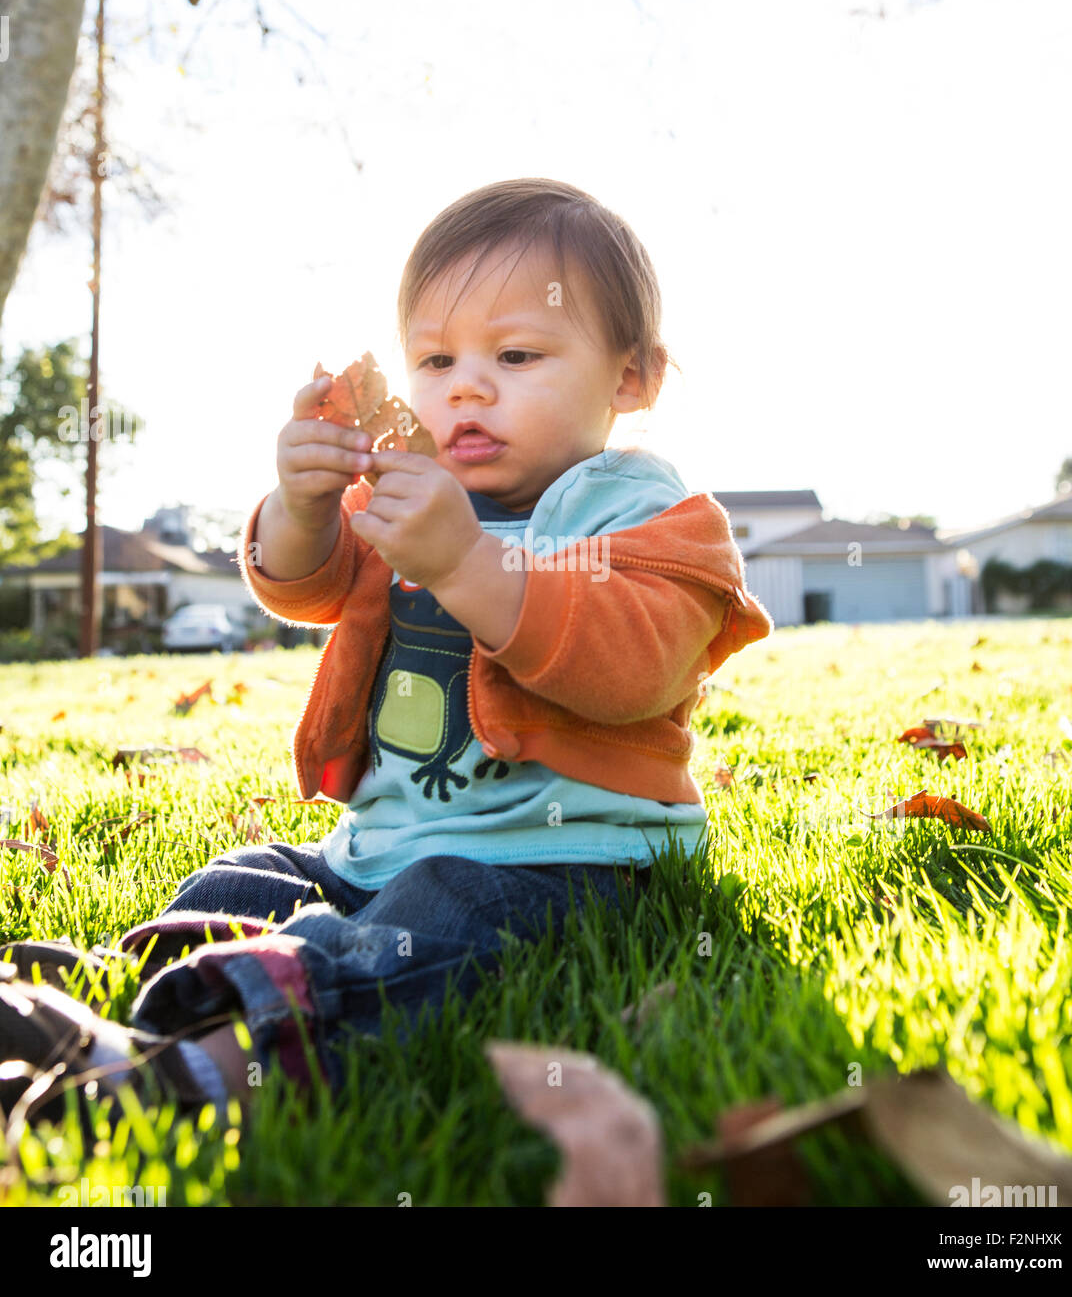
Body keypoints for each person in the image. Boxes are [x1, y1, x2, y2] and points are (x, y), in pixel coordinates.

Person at [0, 177, 773, 1125]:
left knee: (442, 930)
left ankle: (193, 1074)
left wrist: (466, 563)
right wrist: (303, 506)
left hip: (564, 862)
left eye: (517, 354)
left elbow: (631, 669)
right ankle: (143, 987)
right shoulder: (411, 493)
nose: (467, 387)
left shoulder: (651, 517)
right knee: (250, 877)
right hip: (383, 846)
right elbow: (307, 585)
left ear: (630, 378)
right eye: (436, 359)